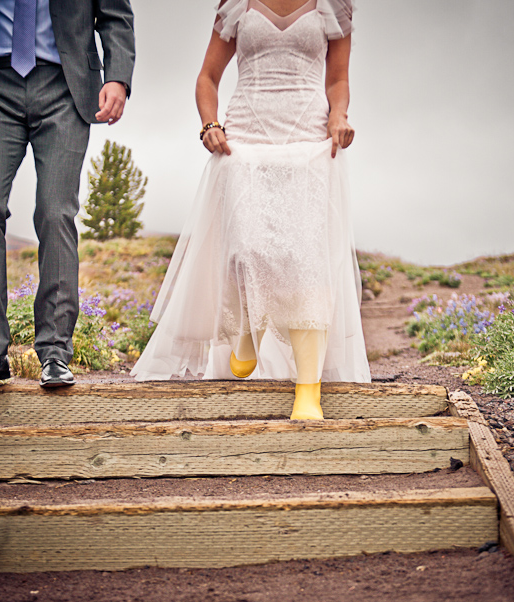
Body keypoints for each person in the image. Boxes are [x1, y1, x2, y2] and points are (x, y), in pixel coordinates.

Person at [132, 0, 370, 419]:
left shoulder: (334, 6)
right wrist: (210, 124)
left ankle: (308, 390)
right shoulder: (236, 5)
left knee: (306, 261)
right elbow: (207, 77)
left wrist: (339, 116)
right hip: (245, 137)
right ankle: (247, 325)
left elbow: (338, 79)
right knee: (246, 248)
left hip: (308, 140)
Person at [0, 0, 136, 387]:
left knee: (55, 211)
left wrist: (118, 76)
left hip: (66, 85)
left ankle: (55, 353)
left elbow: (116, 15)